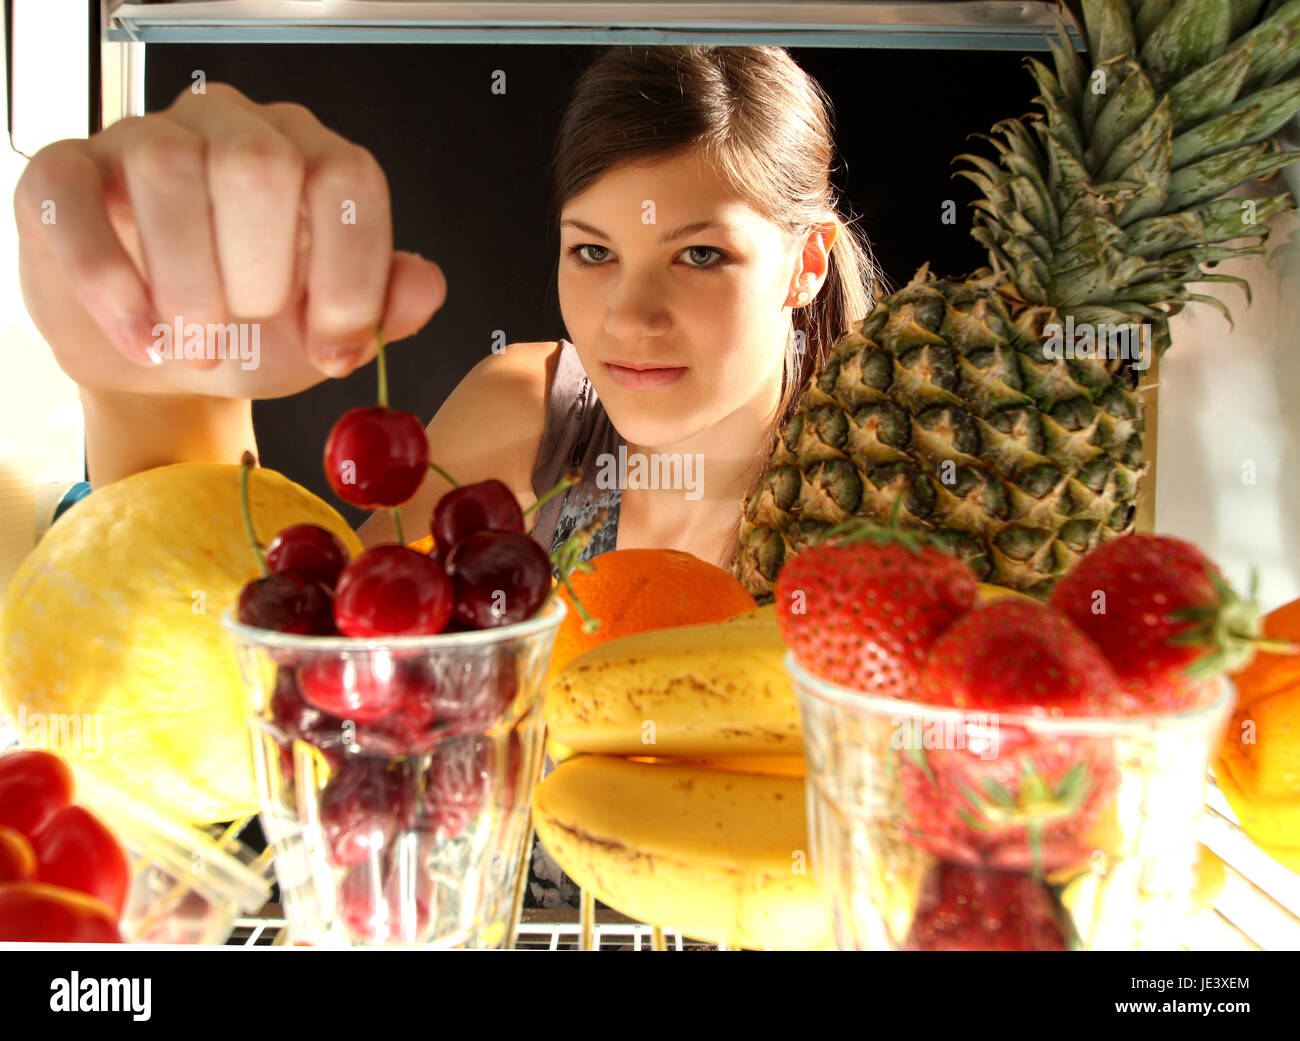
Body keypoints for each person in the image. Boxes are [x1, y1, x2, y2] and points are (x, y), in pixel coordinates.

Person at [14, 44, 885, 915]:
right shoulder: (529, 413)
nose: (628, 314)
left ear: (806, 264)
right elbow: (312, 681)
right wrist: (169, 389)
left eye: (699, 256)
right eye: (592, 251)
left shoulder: (898, 487)